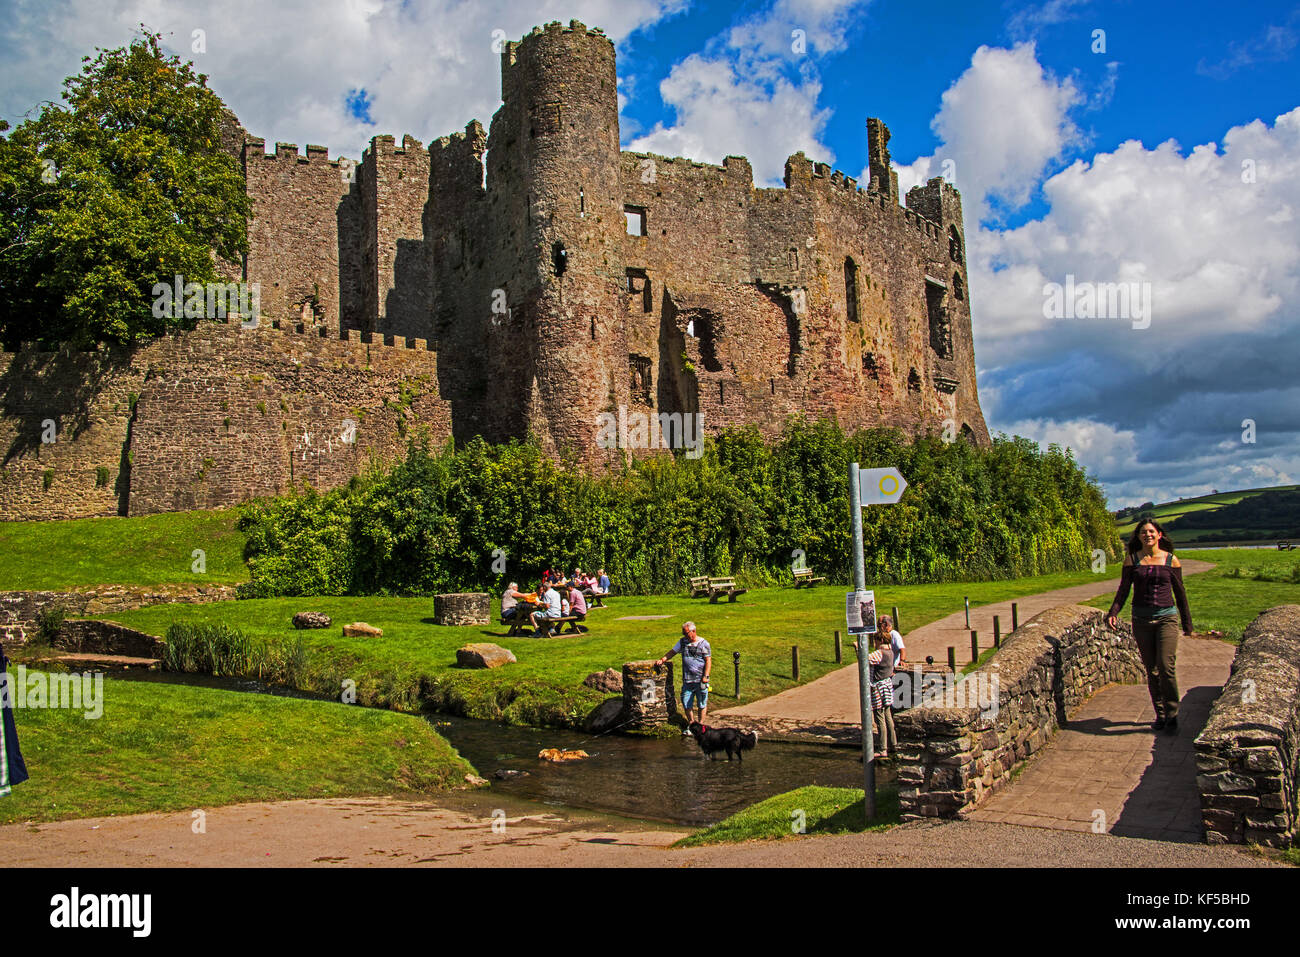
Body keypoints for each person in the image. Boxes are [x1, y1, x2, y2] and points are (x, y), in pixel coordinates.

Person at [1106, 518, 1193, 733]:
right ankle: (1161, 715)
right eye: (1143, 532)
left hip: (1166, 618)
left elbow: (1180, 594)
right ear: (1138, 537)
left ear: (1159, 535)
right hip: (1141, 619)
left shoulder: (1171, 560)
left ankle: (1172, 714)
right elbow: (1123, 590)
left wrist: (1187, 623)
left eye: (1151, 532)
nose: (1148, 535)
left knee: (1166, 667)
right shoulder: (1132, 560)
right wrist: (1113, 612)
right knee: (1151, 670)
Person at [654, 621, 711, 734]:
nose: (685, 635)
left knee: (701, 703)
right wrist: (663, 659)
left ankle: (701, 725)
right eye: (683, 633)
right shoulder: (683, 642)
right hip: (688, 680)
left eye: (686, 633)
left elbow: (708, 660)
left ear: (693, 631)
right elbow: (673, 652)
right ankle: (691, 724)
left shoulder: (704, 644)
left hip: (700, 679)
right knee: (686, 702)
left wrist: (706, 676)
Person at [866, 632, 897, 758]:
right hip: (887, 685)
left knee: (879, 717)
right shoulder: (891, 652)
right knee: (888, 715)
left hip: (878, 687)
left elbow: (864, 659)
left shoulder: (880, 653)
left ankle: (883, 748)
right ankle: (893, 744)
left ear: (879, 641)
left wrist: (858, 648)